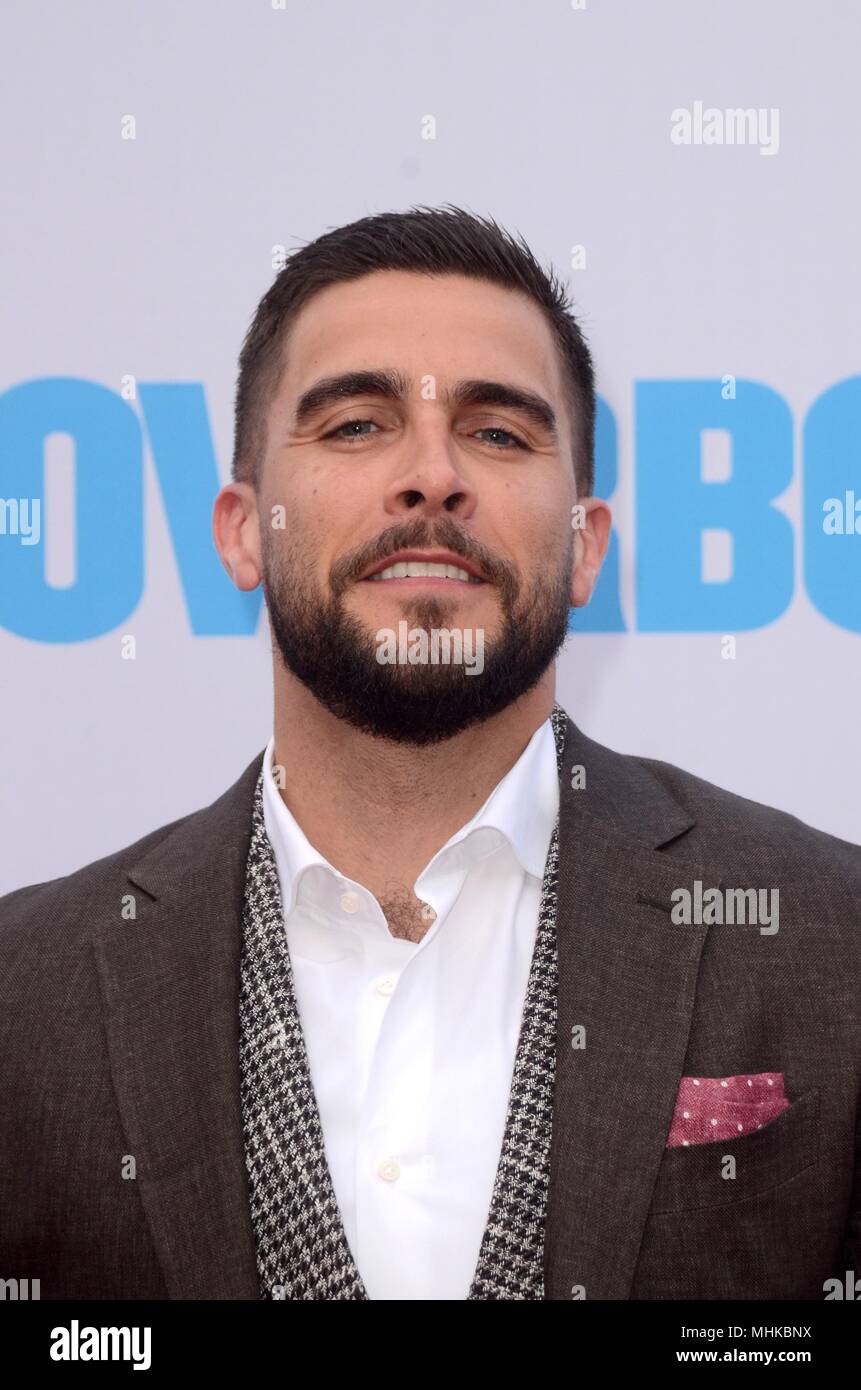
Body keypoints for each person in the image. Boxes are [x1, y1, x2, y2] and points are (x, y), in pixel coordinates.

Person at [1, 206, 859, 1300]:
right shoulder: (23, 996)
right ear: (237, 528)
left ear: (585, 545)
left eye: (499, 432)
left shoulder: (835, 941)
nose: (432, 476)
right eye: (356, 425)